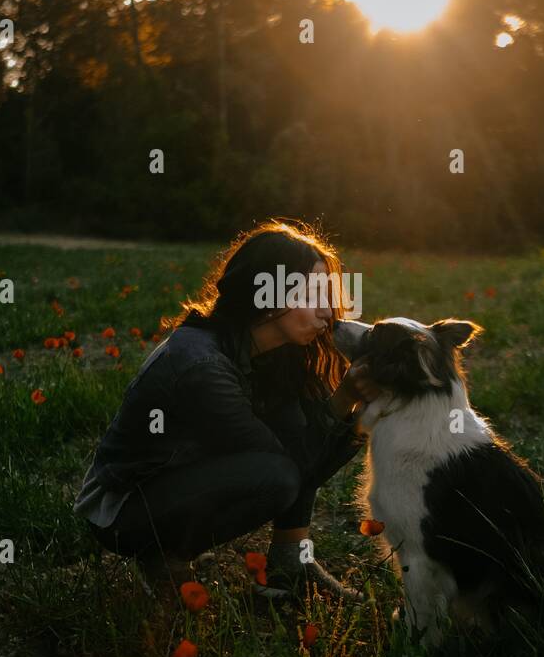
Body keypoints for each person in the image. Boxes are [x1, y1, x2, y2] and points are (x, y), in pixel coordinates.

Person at [73, 220, 380, 603]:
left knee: (293, 444)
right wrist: (344, 397)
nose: (327, 312)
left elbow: (305, 448)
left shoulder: (273, 355)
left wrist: (349, 405)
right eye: (312, 295)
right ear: (268, 297)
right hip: (125, 509)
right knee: (279, 472)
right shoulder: (203, 366)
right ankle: (165, 558)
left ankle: (291, 559)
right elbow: (295, 465)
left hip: (178, 480)